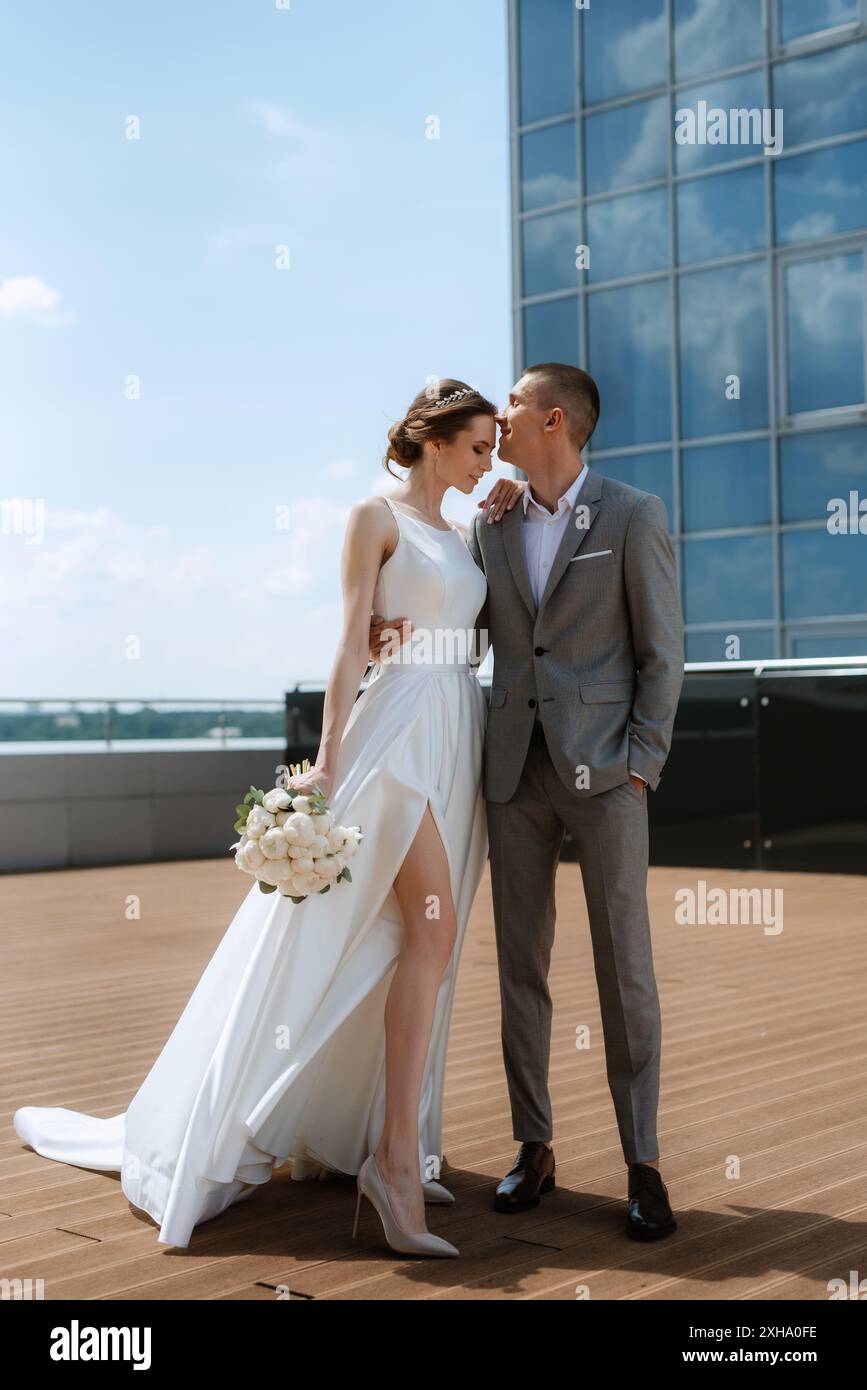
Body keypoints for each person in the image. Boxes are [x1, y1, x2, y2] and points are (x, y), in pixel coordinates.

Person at [13, 378, 522, 1258]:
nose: (489, 462)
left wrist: (501, 508)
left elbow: (462, 634)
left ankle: (380, 1137)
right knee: (429, 939)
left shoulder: (471, 528)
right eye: (480, 446)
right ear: (435, 441)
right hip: (395, 734)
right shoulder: (374, 518)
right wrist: (326, 760)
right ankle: (394, 1166)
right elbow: (346, 640)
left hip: (456, 729)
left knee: (413, 939)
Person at [370, 363, 684, 1241]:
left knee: (624, 969)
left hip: (606, 776)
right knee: (519, 968)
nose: (496, 418)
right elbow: (458, 625)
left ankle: (642, 1162)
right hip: (508, 773)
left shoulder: (631, 516)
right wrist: (376, 631)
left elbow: (663, 653)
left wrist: (640, 766)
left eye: (508, 405)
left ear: (552, 420)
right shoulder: (489, 524)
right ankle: (533, 1146)